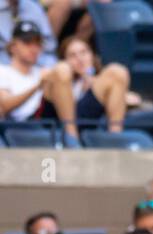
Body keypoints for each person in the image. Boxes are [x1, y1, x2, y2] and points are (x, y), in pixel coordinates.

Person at [0, 18, 126, 146]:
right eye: (27, 42)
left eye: (37, 43)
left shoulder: (43, 70)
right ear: (13, 46)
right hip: (32, 122)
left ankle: (115, 142)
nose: (34, 48)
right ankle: (73, 142)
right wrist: (38, 86)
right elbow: (3, 106)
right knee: (62, 69)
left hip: (63, 115)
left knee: (117, 72)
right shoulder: (3, 71)